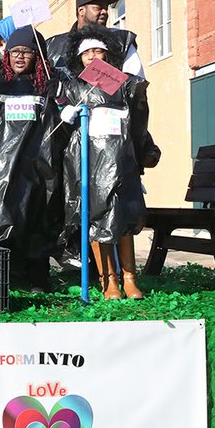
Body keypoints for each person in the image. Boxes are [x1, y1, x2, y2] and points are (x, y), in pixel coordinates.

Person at [0, 25, 63, 291]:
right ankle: (8, 278)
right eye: (14, 51)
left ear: (37, 57)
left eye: (26, 52)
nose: (19, 57)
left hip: (40, 168)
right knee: (3, 221)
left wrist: (61, 95)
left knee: (36, 220)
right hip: (0, 169)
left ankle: (38, 276)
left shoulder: (48, 86)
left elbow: (65, 114)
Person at [56, 25, 155, 300]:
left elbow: (138, 120)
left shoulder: (121, 84)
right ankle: (108, 280)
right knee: (97, 222)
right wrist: (66, 114)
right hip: (90, 165)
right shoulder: (74, 87)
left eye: (98, 50)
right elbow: (60, 123)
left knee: (122, 220)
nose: (93, 56)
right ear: (79, 57)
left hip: (120, 161)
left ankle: (130, 277)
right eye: (87, 52)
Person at [45, 0, 144, 78]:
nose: (104, 12)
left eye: (106, 8)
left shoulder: (122, 40)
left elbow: (135, 82)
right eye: (98, 8)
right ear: (81, 11)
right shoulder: (53, 45)